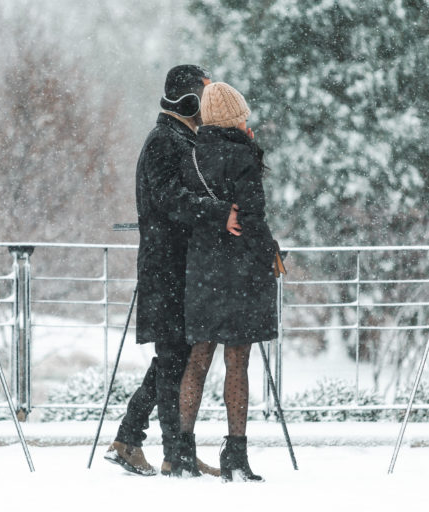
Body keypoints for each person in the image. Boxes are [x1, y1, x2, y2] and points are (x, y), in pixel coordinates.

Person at [104, 65, 241, 477]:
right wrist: (222, 212)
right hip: (168, 267)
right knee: (173, 359)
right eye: (205, 94)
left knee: (173, 357)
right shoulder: (166, 140)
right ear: (189, 99)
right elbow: (170, 199)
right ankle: (174, 454)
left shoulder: (177, 137)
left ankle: (130, 439)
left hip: (177, 266)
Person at [171, 82, 278, 482]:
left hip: (202, 269)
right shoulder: (242, 155)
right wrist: (270, 252)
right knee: (237, 362)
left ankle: (182, 450)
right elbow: (252, 216)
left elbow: (186, 208)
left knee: (198, 358)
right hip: (239, 272)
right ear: (235, 116)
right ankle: (235, 454)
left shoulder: (191, 154)